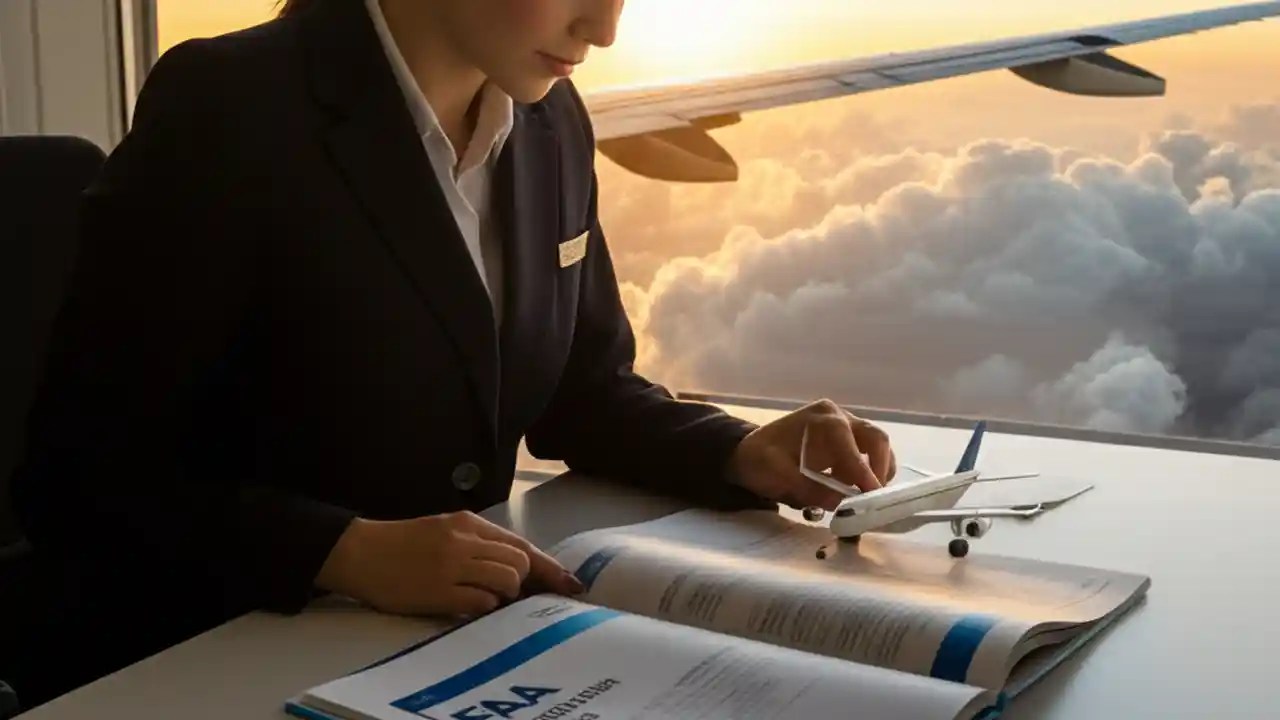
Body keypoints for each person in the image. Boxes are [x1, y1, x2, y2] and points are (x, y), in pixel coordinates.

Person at [10, 0, 896, 703]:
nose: (606, 27)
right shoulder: (230, 107)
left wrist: (737, 448)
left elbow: (581, 391)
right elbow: (79, 476)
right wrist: (343, 550)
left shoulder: (548, 121)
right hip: (209, 653)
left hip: (444, 653)